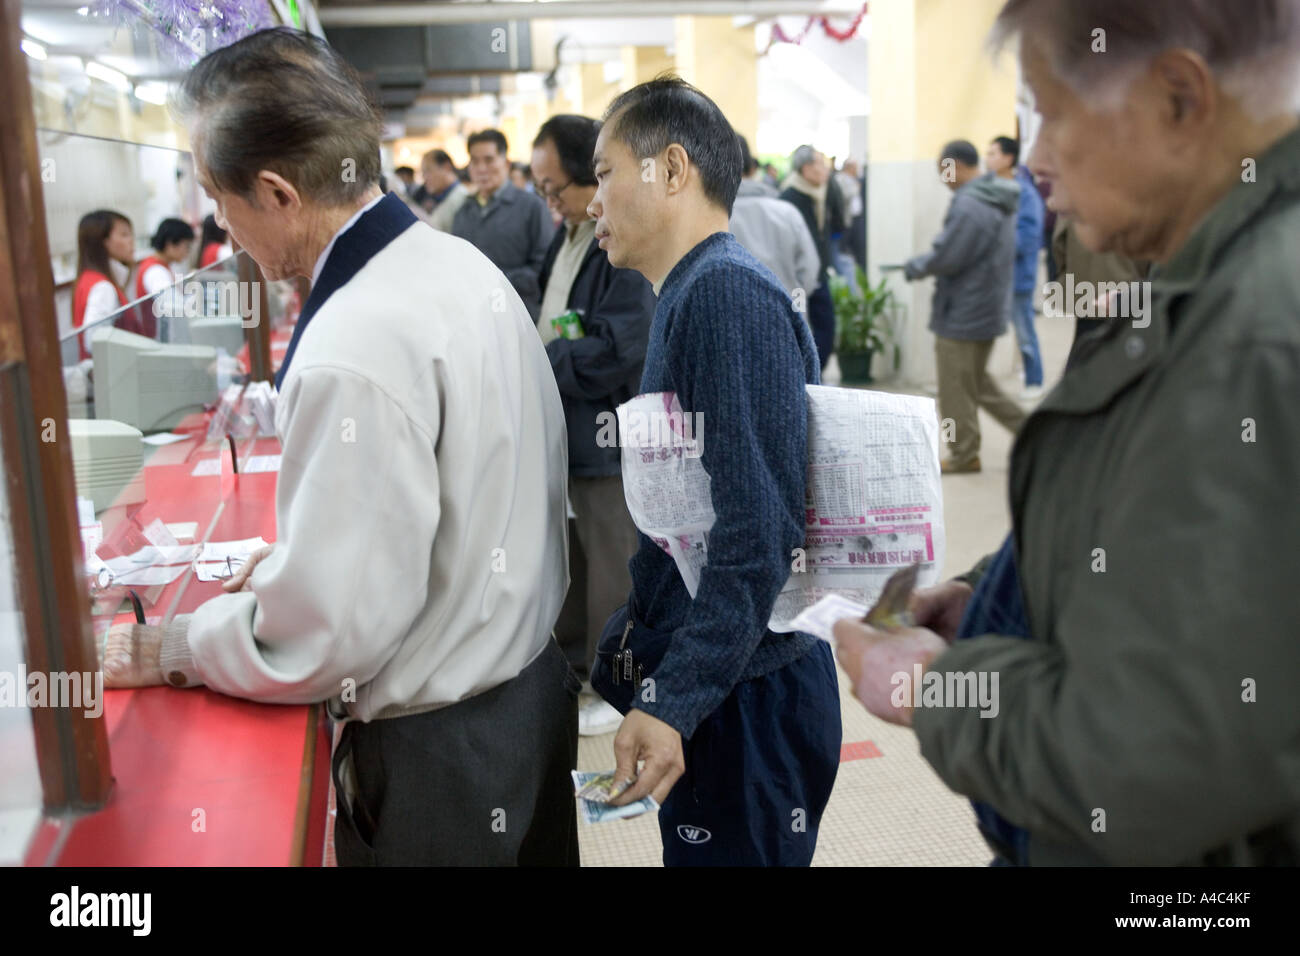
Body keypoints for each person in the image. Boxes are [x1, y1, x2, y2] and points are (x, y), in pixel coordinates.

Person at [836, 0, 1300, 866]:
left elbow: (1150, 768)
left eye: (1050, 109)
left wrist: (934, 686)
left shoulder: (1251, 331)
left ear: (1176, 97)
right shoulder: (1212, 284)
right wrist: (1013, 589)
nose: (1039, 159)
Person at [100, 27, 578, 867]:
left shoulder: (353, 342)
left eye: (219, 196)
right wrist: (305, 561)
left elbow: (328, 637)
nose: (219, 222)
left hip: (443, 752)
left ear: (279, 192)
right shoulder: (457, 262)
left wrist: (174, 647)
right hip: (529, 703)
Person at [587, 76, 842, 866]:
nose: (594, 201)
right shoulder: (687, 293)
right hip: (724, 675)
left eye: (603, 174)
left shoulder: (725, 295)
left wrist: (677, 699)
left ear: (670, 169)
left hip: (748, 692)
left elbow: (758, 536)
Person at [530, 114, 656, 737]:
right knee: (573, 560)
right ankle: (577, 667)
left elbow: (618, 347)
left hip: (607, 434)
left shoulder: (620, 242)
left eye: (558, 188)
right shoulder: (570, 233)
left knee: (613, 561)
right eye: (543, 191)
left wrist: (545, 357)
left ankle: (620, 685)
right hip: (567, 427)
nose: (550, 202)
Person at [903, 139, 1025, 474]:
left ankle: (962, 454)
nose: (943, 178)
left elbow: (949, 256)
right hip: (985, 305)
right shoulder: (995, 197)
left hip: (964, 311)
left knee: (954, 389)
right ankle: (1036, 431)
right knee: (978, 383)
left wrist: (916, 266)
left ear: (954, 165)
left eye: (943, 171)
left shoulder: (970, 205)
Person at [452, 129, 555, 319]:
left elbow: (545, 265)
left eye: (489, 160)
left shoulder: (532, 207)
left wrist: (496, 280)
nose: (481, 168)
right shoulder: (463, 212)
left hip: (520, 314)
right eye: (475, 161)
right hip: (476, 316)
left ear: (506, 164)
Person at [987, 135, 1046, 398]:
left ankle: (1034, 381)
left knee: (1024, 332)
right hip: (991, 275)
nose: (988, 158)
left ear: (1008, 158)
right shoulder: (987, 188)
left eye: (993, 153)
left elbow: (1027, 238)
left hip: (1016, 276)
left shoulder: (1025, 194)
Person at [1051, 215, 1151, 368]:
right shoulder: (1139, 197)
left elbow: (1059, 241)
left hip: (1085, 293)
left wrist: (1069, 274)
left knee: (1082, 358)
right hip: (1128, 292)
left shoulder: (1077, 193)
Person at [729, 133, 820, 297]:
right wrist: (793, 302)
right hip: (787, 313)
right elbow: (809, 273)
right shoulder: (787, 213)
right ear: (752, 168)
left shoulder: (709, 218)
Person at [780, 145, 845, 369]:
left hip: (819, 273)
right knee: (798, 326)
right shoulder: (788, 197)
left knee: (827, 324)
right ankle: (801, 375)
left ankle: (815, 373)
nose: (825, 169)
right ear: (806, 168)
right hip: (796, 277)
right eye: (820, 163)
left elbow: (836, 223)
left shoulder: (824, 191)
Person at [72, 209, 133, 359]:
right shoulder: (102, 287)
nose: (131, 240)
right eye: (124, 235)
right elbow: (94, 341)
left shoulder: (88, 278)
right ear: (103, 242)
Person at [419, 148, 467, 232]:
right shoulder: (436, 199)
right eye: (423, 173)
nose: (424, 178)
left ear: (446, 167)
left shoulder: (462, 200)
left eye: (428, 171)